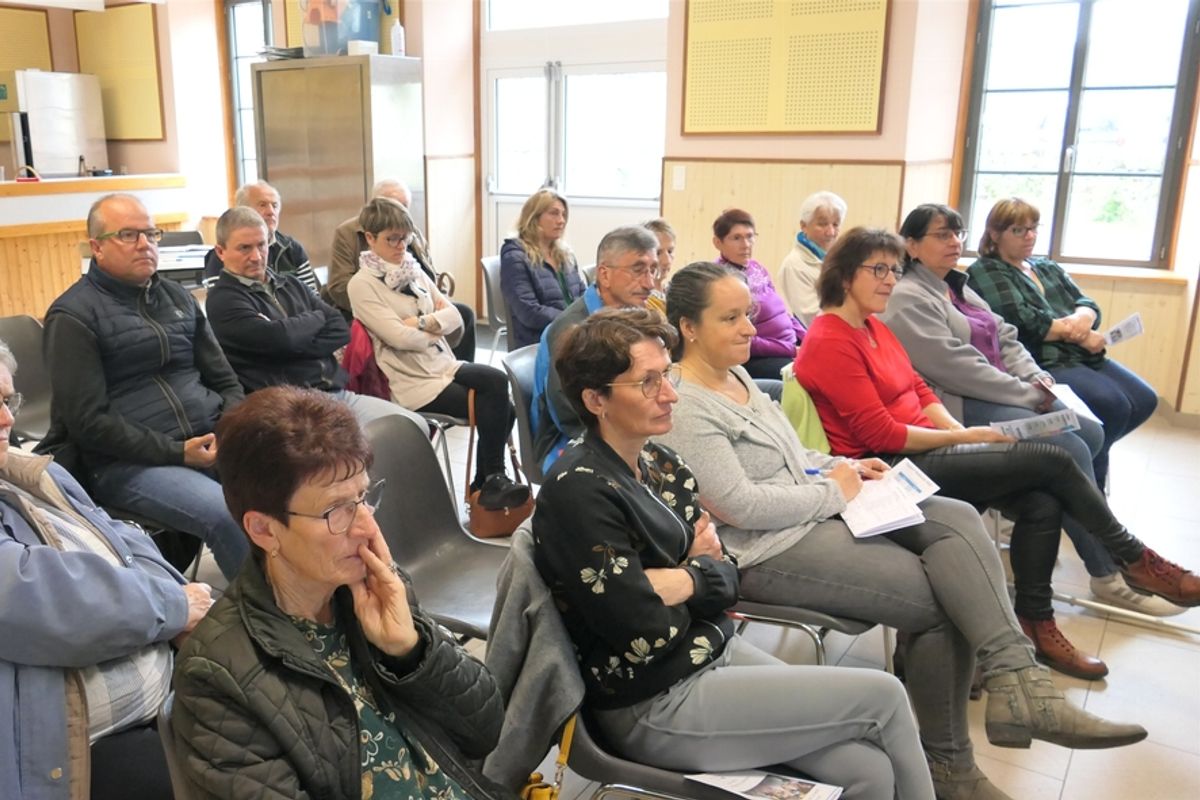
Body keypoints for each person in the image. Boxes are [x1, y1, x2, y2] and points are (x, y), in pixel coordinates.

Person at [658, 263, 1148, 800]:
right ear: (687, 327)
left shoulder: (739, 376)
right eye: (730, 318)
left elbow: (793, 455)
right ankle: (954, 766)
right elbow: (741, 507)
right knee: (943, 602)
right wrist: (835, 490)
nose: (750, 328)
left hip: (815, 509)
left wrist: (845, 465)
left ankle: (1018, 681)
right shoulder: (687, 403)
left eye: (748, 314)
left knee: (956, 515)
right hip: (767, 547)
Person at [535, 308, 936, 800]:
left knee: (868, 772)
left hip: (709, 653)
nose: (671, 394)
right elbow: (639, 631)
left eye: (667, 376)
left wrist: (680, 580)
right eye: (647, 383)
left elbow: (728, 579)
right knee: (885, 696)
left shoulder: (661, 462)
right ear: (596, 399)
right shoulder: (577, 490)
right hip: (653, 702)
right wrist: (696, 577)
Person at [791, 227, 1200, 667]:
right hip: (890, 469)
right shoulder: (830, 339)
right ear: (845, 275)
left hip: (926, 451)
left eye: (893, 269)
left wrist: (955, 433)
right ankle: (1134, 558)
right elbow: (880, 435)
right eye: (878, 270)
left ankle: (1037, 626)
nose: (890, 279)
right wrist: (963, 438)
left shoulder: (873, 325)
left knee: (1043, 501)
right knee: (1055, 459)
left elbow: (919, 388)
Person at [171, 386, 511, 799]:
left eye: (364, 498)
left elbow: (485, 730)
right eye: (337, 511)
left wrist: (413, 652)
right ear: (264, 529)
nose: (368, 528)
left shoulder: (369, 588)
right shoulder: (218, 674)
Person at [883, 204, 1180, 617]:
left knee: (1090, 432)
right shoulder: (909, 297)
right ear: (911, 246)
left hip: (1006, 390)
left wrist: (1041, 381)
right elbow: (956, 368)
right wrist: (1026, 395)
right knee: (1067, 447)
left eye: (957, 233)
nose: (954, 242)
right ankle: (1109, 570)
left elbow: (1006, 338)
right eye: (941, 235)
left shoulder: (956, 284)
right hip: (960, 407)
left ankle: (1111, 556)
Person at [0, 338, 214, 800]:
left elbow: (123, 539)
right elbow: (33, 597)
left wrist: (181, 609)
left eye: (5, 399)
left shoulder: (33, 472)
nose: (8, 419)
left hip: (169, 688)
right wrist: (175, 606)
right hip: (81, 747)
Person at [39, 193, 249, 580]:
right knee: (226, 514)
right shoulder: (72, 317)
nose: (145, 244)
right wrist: (177, 453)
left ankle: (317, 605)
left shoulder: (179, 299)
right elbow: (88, 423)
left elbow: (224, 380)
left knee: (290, 488)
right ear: (97, 247)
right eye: (129, 235)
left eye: (151, 233)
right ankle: (270, 626)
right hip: (126, 464)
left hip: (207, 441)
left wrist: (227, 430)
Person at [968, 197, 1158, 494]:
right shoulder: (986, 270)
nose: (1029, 236)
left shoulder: (1045, 266)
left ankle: (1085, 467)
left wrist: (1083, 318)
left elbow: (1086, 302)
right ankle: (1088, 484)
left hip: (1082, 353)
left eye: (1033, 229)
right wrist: (1082, 332)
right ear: (995, 234)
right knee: (1114, 405)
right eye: (1019, 230)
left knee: (1145, 399)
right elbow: (1025, 322)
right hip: (1044, 360)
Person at [348, 198, 528, 507]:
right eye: (392, 238)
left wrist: (420, 322)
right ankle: (488, 483)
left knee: (500, 387)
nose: (401, 245)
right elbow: (400, 338)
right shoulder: (362, 285)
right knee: (501, 404)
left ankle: (488, 482)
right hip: (411, 381)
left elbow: (455, 316)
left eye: (405, 237)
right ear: (370, 238)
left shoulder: (412, 270)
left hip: (442, 364)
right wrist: (431, 328)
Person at [204, 206, 429, 433]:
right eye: (244, 248)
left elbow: (340, 328)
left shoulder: (290, 284)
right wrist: (314, 321)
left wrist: (292, 341)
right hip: (288, 410)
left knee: (413, 426)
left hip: (334, 393)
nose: (256, 256)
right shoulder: (223, 300)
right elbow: (280, 338)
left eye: (261, 245)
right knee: (367, 444)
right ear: (221, 252)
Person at [531, 225, 658, 472]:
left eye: (654, 270)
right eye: (638, 270)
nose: (650, 283)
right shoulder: (571, 330)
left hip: (625, 427)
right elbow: (569, 415)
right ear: (604, 274)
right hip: (570, 442)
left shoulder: (635, 315)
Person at [327, 178, 476, 361]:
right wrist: (390, 301)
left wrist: (433, 298)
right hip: (380, 308)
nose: (399, 212)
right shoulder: (347, 233)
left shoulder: (411, 231)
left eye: (404, 206)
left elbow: (427, 270)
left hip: (419, 300)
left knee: (463, 314)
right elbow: (338, 285)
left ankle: (453, 365)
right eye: (393, 205)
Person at [712, 208, 805, 380]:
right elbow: (743, 338)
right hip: (759, 356)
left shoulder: (758, 268)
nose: (746, 244)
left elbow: (783, 313)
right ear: (718, 242)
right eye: (736, 238)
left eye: (750, 236)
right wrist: (792, 350)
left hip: (789, 346)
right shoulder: (721, 280)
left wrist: (808, 339)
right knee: (808, 374)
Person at [500, 188, 585, 348]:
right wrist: (572, 320)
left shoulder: (564, 254)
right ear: (534, 217)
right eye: (554, 213)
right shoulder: (515, 257)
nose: (561, 220)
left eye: (563, 214)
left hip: (572, 332)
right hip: (540, 341)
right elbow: (529, 312)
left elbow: (582, 294)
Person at [202, 181, 320, 293]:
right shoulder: (224, 254)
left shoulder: (292, 249)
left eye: (275, 205)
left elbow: (313, 298)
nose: (271, 212)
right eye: (262, 205)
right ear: (243, 210)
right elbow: (224, 305)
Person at [778, 191, 846, 325]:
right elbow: (812, 317)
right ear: (803, 226)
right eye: (822, 224)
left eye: (835, 224)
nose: (831, 232)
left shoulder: (842, 257)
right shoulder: (794, 265)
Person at [642, 218, 677, 316]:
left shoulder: (671, 292)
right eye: (658, 253)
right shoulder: (642, 300)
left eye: (670, 251)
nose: (667, 261)